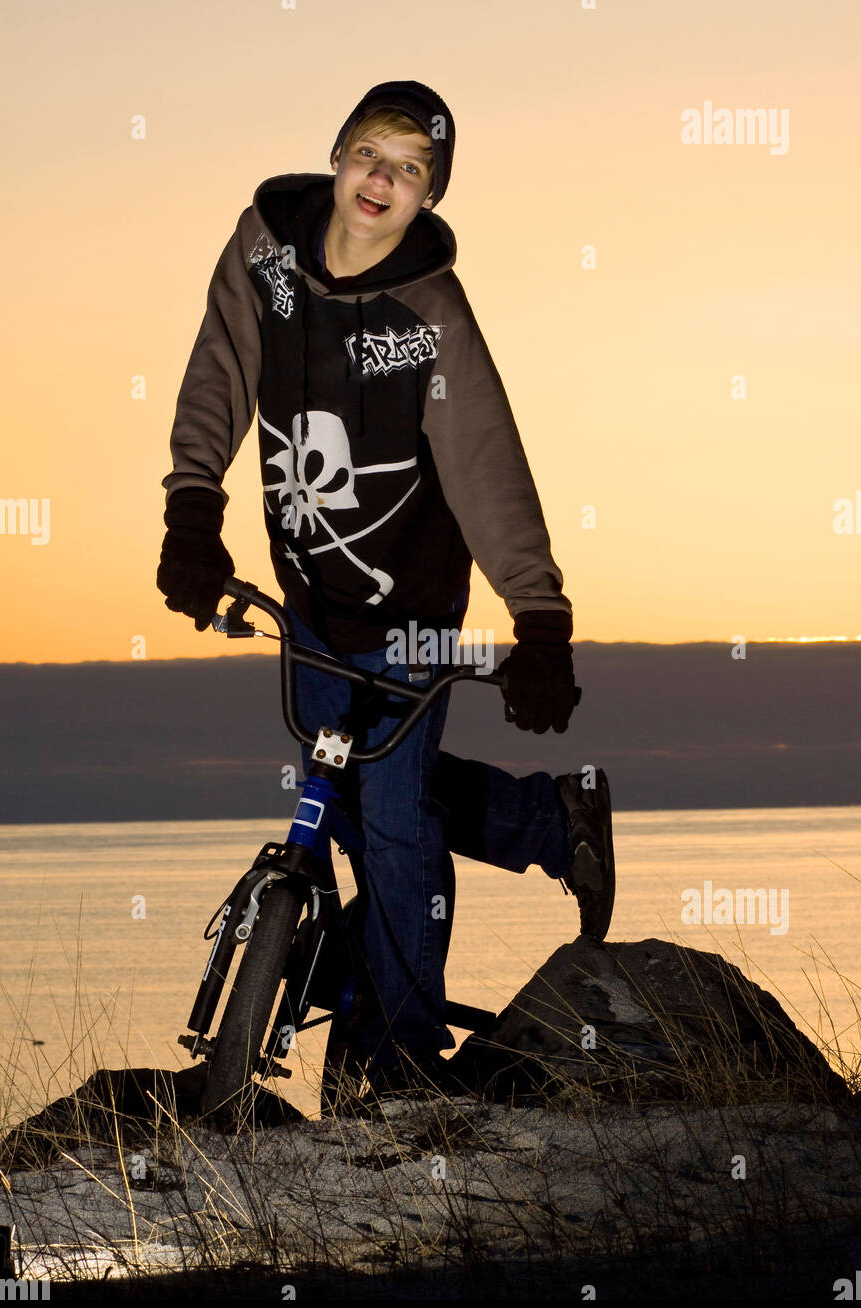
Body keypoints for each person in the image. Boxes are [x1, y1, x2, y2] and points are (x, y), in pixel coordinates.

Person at [157, 80, 614, 1099]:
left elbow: (487, 465)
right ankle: (548, 822)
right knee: (354, 807)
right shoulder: (262, 249)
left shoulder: (433, 312)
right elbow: (217, 374)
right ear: (336, 154)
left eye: (411, 171)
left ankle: (403, 1065)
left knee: (397, 831)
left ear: (426, 197)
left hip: (411, 611)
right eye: (372, 153)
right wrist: (192, 508)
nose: (383, 180)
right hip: (310, 603)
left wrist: (538, 619)